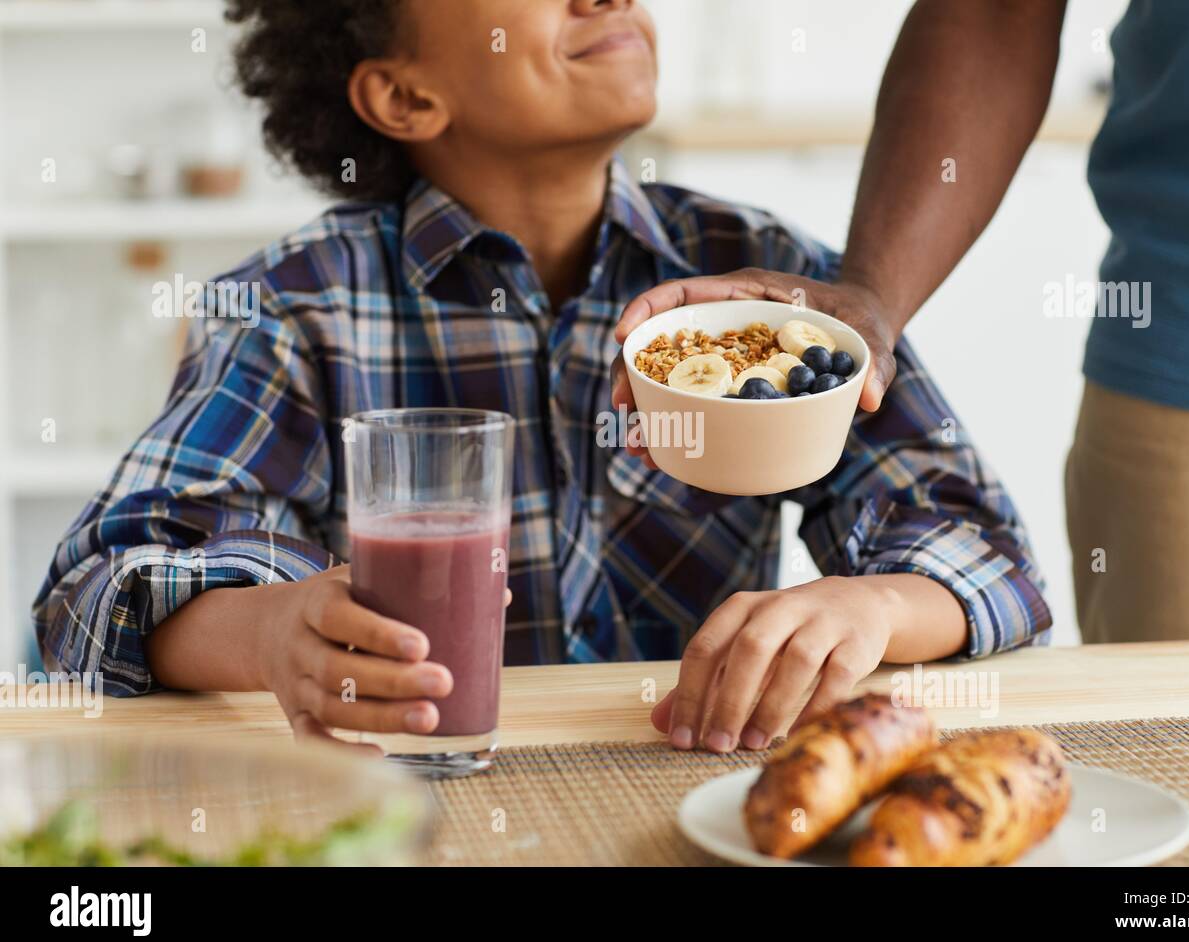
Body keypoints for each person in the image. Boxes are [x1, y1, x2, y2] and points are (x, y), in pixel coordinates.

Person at [33, 0, 1049, 755]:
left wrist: (869, 606)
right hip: (412, 806)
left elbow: (984, 548)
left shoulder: (762, 286)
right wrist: (271, 632)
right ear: (403, 93)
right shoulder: (293, 309)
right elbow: (91, 590)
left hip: (682, 791)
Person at [619, 0, 1189, 650]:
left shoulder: (742, 256)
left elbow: (993, 571)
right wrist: (869, 298)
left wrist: (882, 607)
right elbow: (994, 14)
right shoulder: (751, 300)